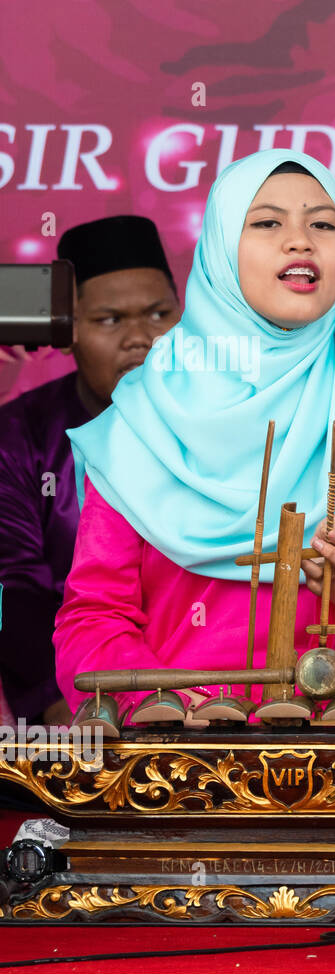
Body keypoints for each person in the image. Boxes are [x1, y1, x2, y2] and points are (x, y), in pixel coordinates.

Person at [53, 150, 335, 720]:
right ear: (221, 252)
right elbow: (94, 619)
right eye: (268, 222)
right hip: (175, 764)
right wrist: (166, 704)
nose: (300, 241)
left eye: (323, 224)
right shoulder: (144, 418)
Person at [0, 216, 179, 725]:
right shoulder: (17, 437)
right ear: (67, 333)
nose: (140, 338)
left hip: (212, 695)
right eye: (109, 320)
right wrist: (72, 720)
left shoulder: (232, 423)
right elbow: (13, 593)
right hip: (71, 694)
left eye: (158, 314)